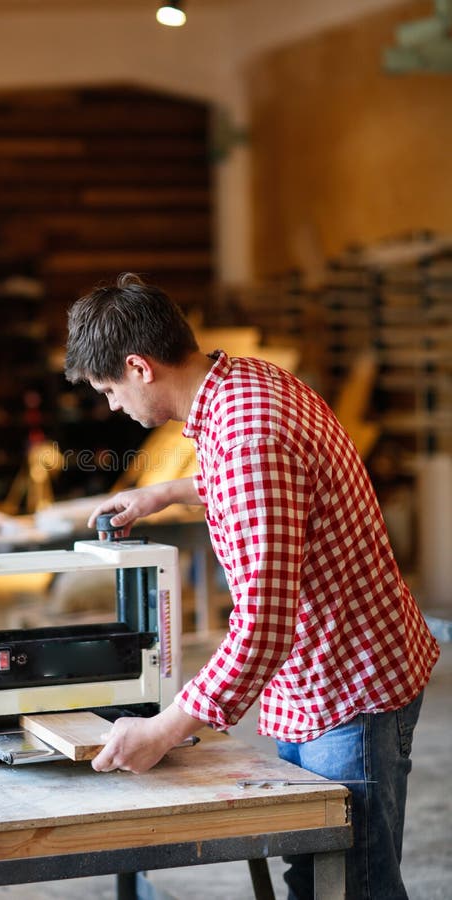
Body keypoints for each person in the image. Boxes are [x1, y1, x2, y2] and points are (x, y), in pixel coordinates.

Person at [64, 272, 440, 900]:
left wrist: (163, 729)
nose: (112, 407)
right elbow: (274, 485)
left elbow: (263, 629)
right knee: (317, 875)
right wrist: (166, 492)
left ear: (139, 366)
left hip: (350, 689)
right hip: (325, 673)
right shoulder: (243, 384)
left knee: (351, 887)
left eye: (109, 389)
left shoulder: (247, 435)